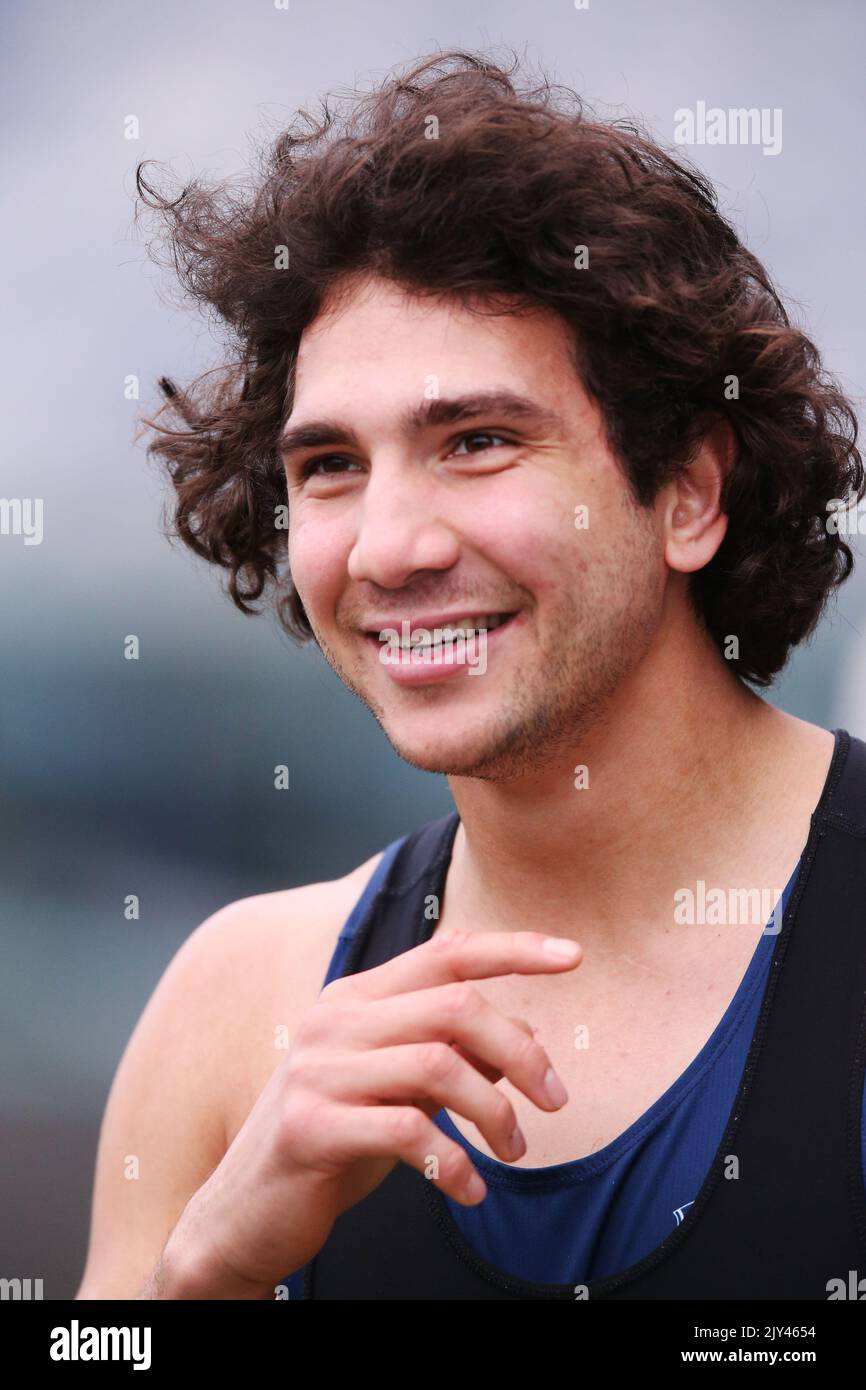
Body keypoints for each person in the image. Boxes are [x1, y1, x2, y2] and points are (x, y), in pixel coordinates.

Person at [76, 49, 866, 1300]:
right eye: (330, 464)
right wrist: (203, 1276)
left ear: (688, 493)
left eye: (478, 441)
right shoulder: (239, 1000)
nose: (389, 547)